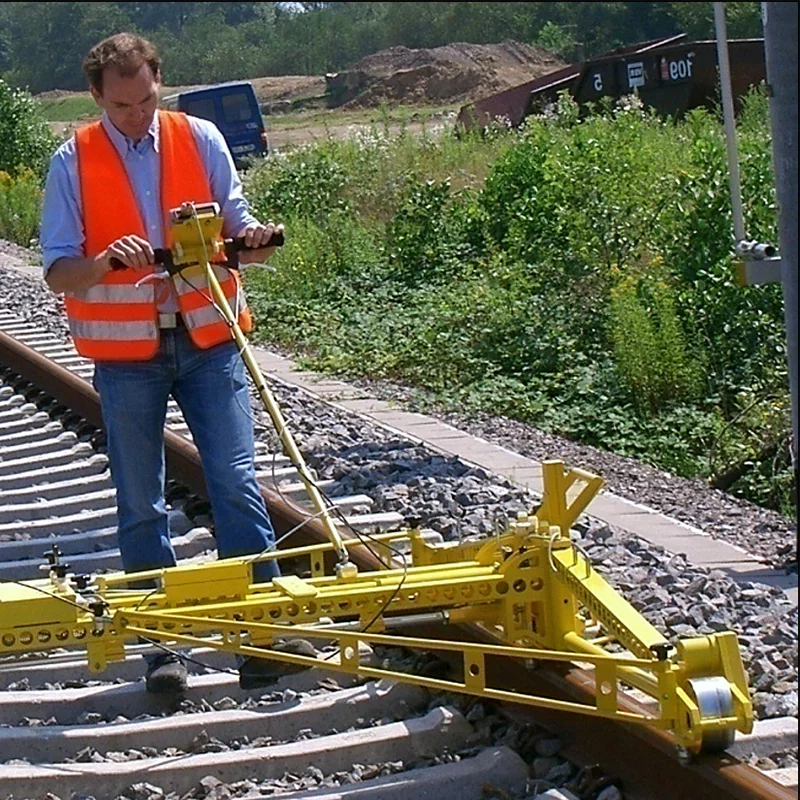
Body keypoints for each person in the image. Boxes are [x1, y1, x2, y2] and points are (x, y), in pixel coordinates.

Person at [40, 32, 314, 693]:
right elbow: (58, 273)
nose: (136, 116)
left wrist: (249, 241)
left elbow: (243, 241)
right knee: (141, 503)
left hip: (209, 339)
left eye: (146, 100)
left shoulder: (201, 139)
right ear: (98, 96)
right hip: (127, 357)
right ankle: (163, 648)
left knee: (236, 484)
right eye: (122, 106)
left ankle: (261, 631)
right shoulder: (72, 161)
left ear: (159, 81)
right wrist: (106, 261)